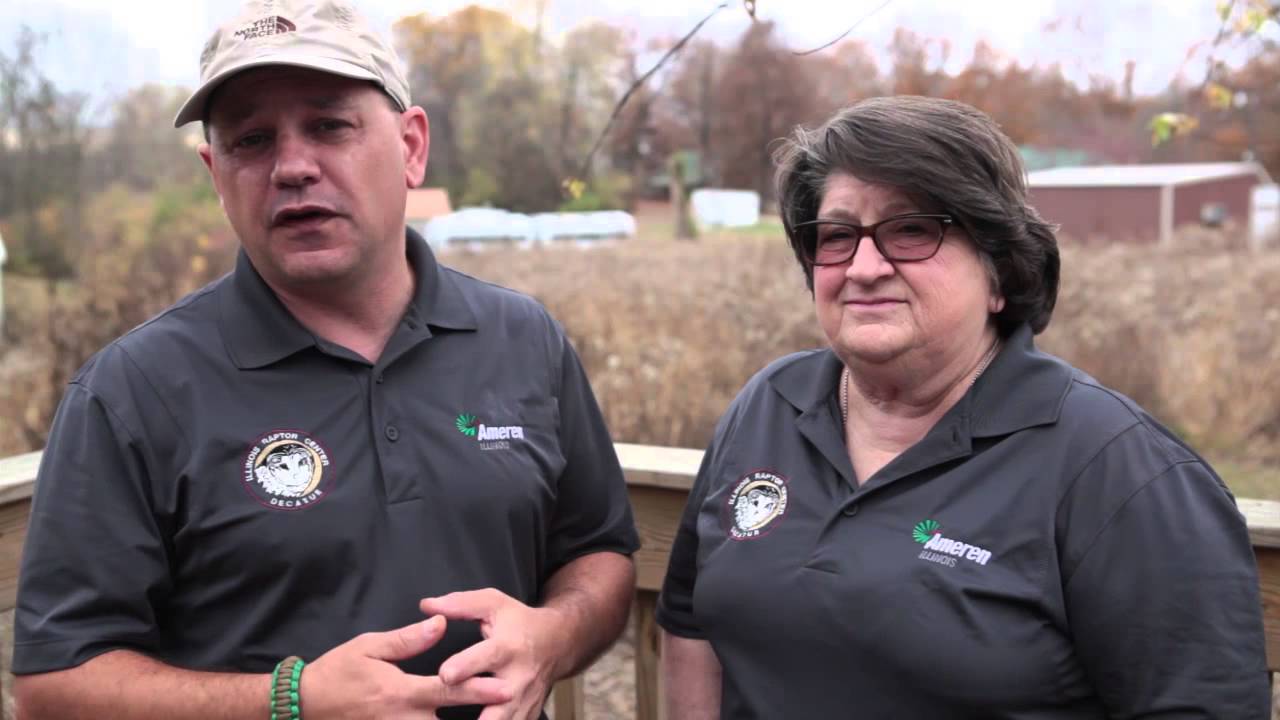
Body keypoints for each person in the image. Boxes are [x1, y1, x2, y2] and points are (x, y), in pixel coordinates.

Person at [12, 1, 639, 718]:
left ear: (410, 146)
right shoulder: (133, 392)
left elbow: (600, 553)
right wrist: (292, 700)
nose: (292, 167)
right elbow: (53, 682)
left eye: (329, 125)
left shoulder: (523, 340)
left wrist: (551, 638)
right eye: (251, 140)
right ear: (215, 173)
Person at [656, 96, 1270, 719]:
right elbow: (689, 619)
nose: (865, 267)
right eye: (837, 236)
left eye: (912, 230)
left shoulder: (1117, 471)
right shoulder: (769, 407)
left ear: (1000, 272)